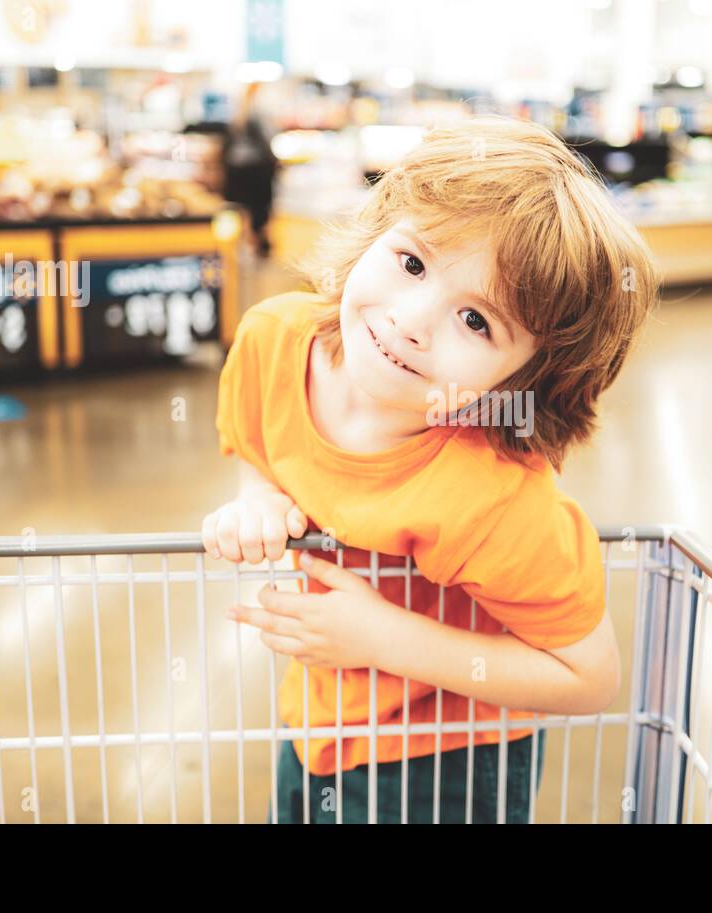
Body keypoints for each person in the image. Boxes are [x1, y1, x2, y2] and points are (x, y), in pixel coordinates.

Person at [202, 117, 659, 823]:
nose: (412, 319)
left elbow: (589, 675)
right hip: (320, 715)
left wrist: (378, 636)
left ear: (526, 379)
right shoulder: (274, 342)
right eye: (413, 262)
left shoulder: (495, 499)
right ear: (377, 226)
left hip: (450, 760)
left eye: (477, 321)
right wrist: (258, 497)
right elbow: (256, 447)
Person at [221, 82, 278, 257]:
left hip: (236, 169)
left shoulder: (236, 113)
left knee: (238, 209)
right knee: (259, 209)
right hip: (256, 169)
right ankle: (258, 243)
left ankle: (239, 244)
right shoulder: (257, 113)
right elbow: (266, 140)